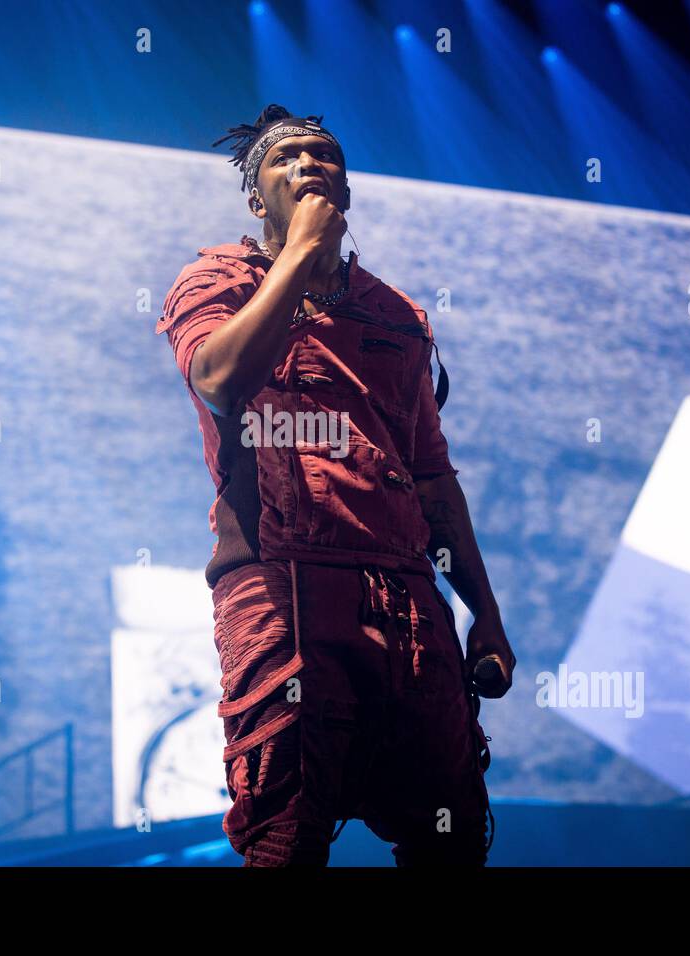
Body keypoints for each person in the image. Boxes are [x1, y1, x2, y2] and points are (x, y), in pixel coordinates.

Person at [154, 105, 516, 865]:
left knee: (447, 829)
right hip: (282, 584)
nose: (310, 164)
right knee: (286, 830)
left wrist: (484, 614)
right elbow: (219, 380)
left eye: (325, 155)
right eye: (287, 159)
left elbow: (432, 478)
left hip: (406, 592)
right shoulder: (215, 279)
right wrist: (301, 256)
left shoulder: (396, 316)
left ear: (346, 186)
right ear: (257, 200)